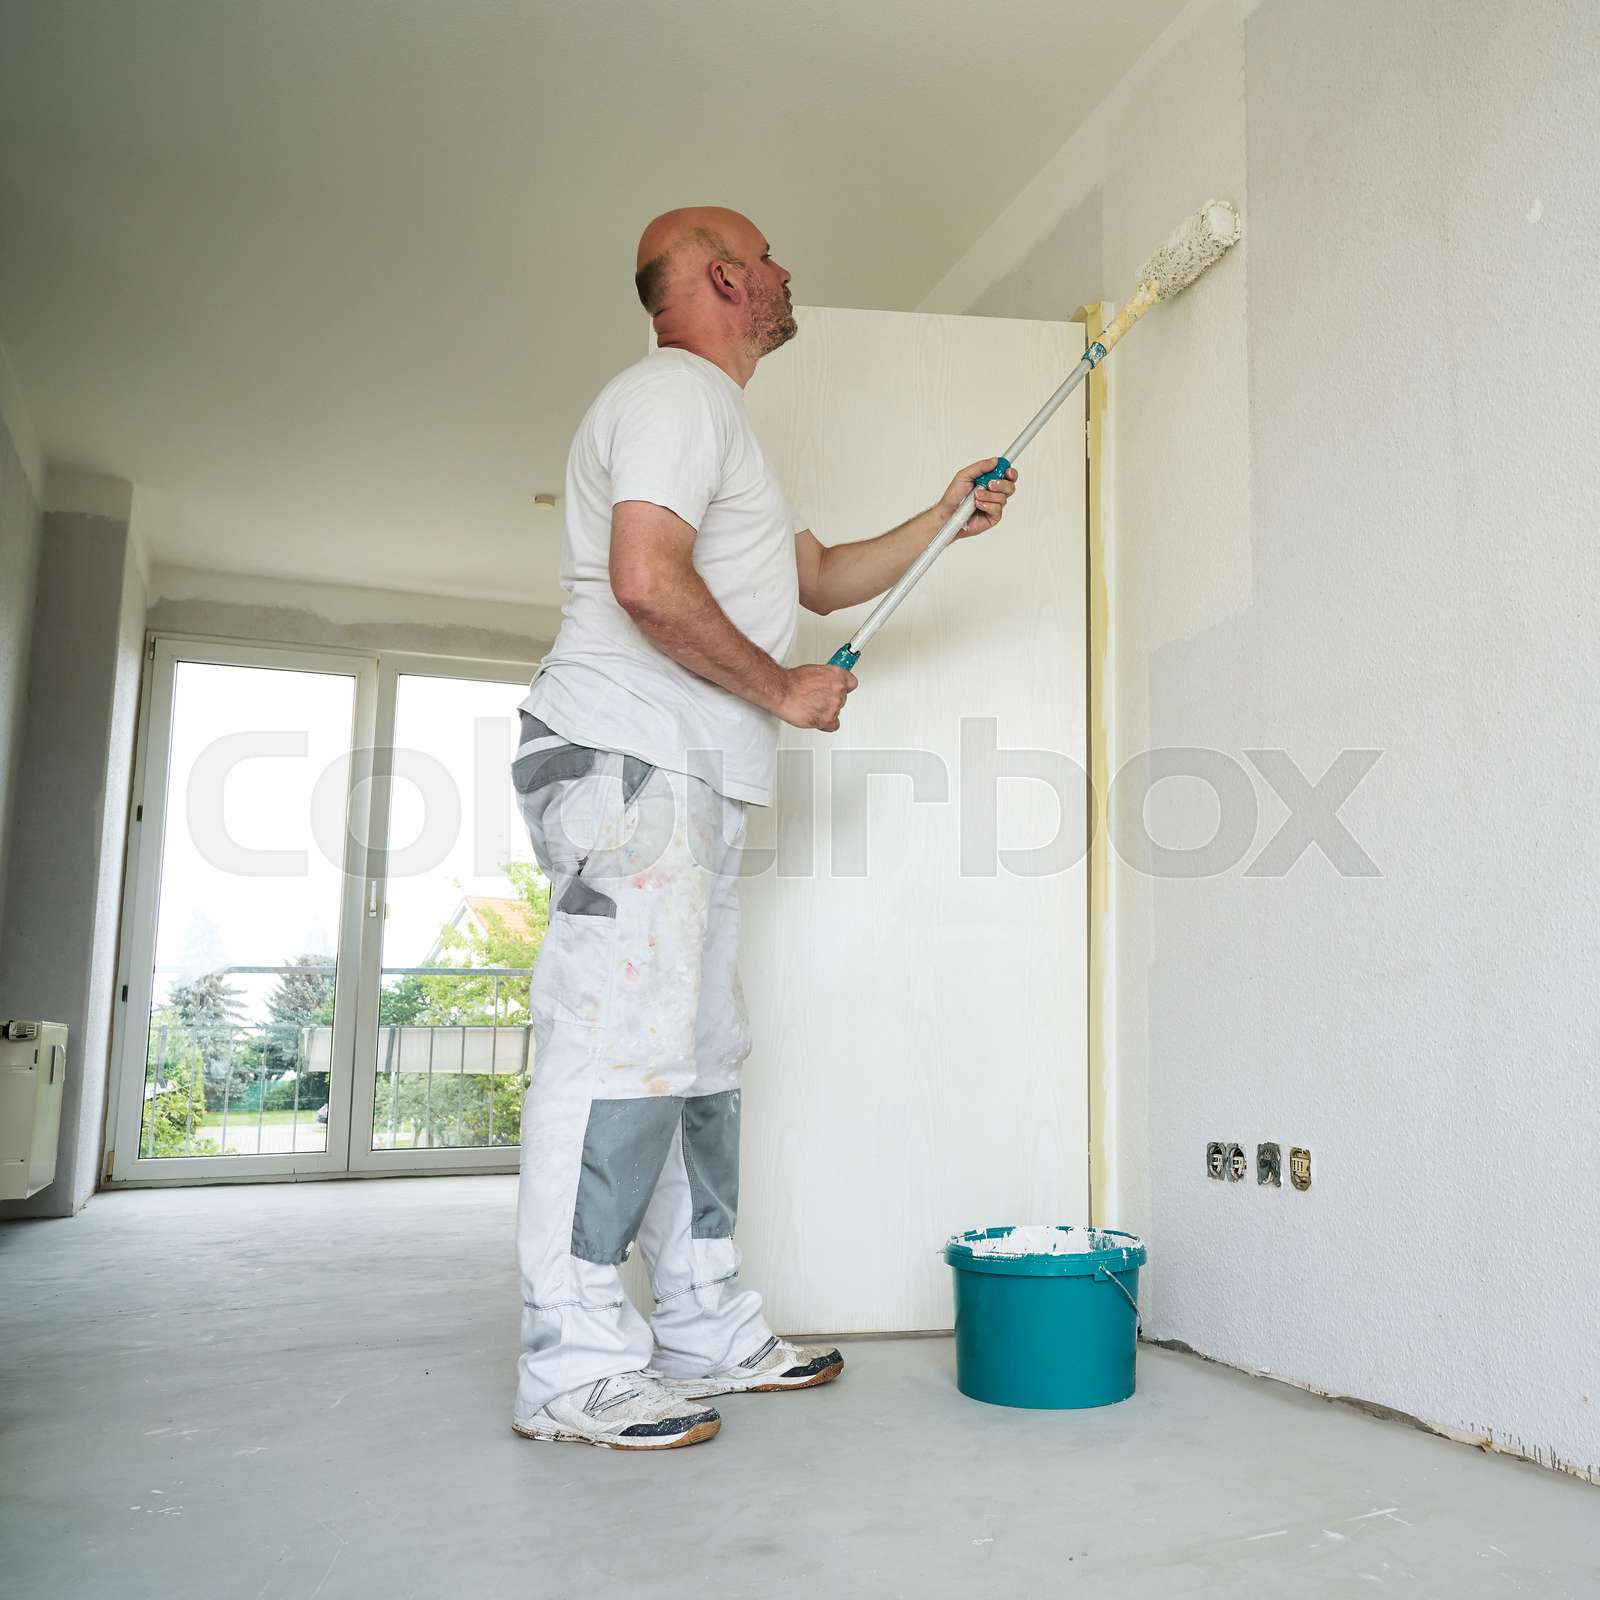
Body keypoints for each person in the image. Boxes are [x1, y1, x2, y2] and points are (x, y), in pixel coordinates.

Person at [509, 205, 1018, 1449]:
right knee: (616, 1053)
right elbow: (643, 578)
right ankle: (571, 1365)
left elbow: (820, 574)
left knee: (695, 1057)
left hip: (685, 779)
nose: (791, 271)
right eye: (773, 256)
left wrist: (945, 513)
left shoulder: (717, 421)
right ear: (729, 277)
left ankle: (702, 1328)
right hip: (630, 759)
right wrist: (784, 688)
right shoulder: (674, 395)